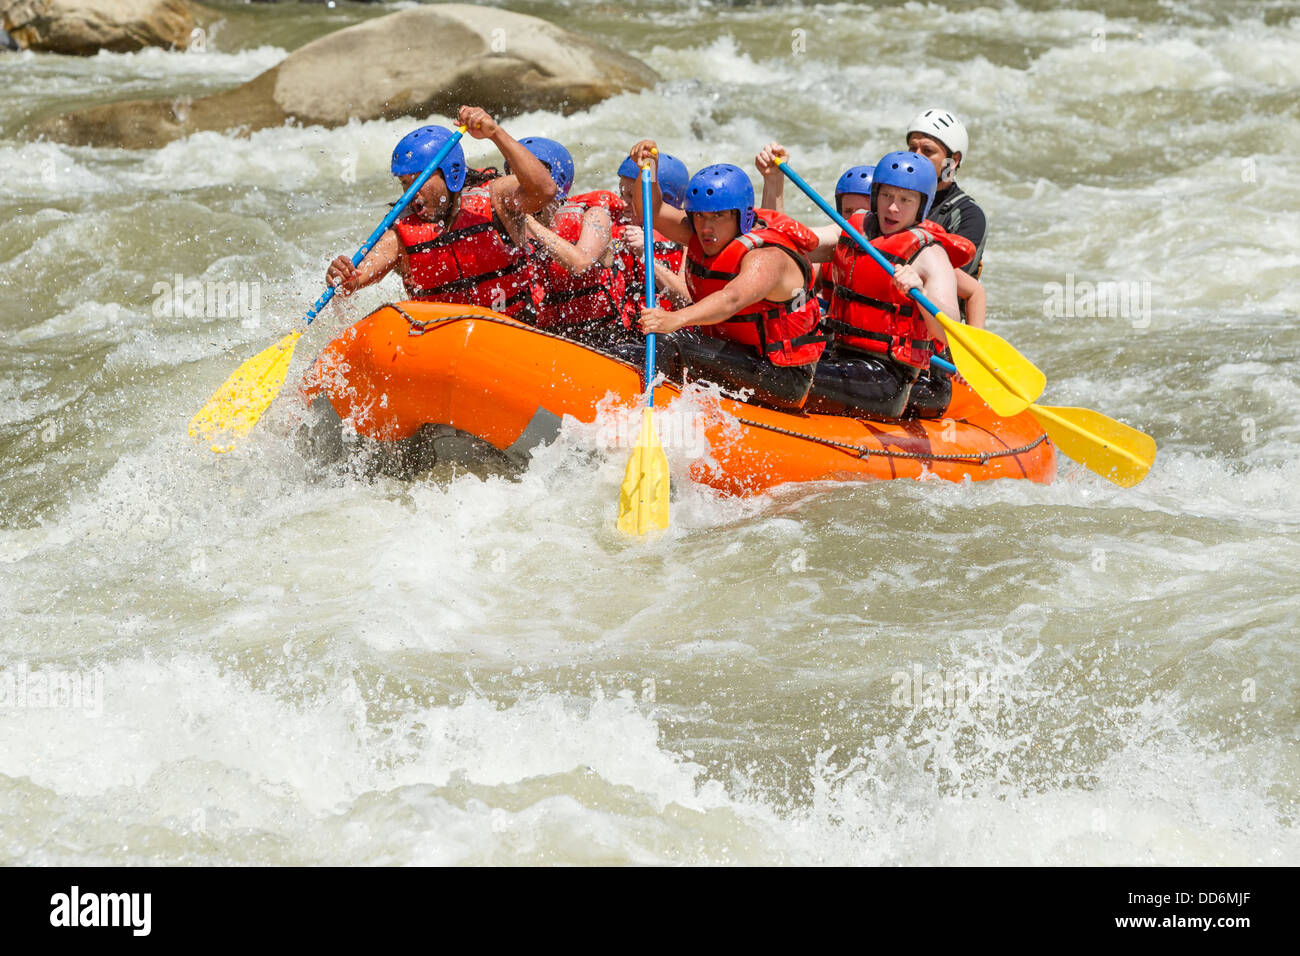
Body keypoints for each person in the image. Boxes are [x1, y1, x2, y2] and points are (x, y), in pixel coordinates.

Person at [627, 141, 825, 411]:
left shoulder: (766, 258)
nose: (706, 228)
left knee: (673, 341)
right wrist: (647, 170)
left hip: (783, 376)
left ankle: (642, 411)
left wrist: (676, 319)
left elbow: (731, 299)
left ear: (741, 216)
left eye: (718, 216)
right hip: (736, 354)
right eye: (700, 216)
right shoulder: (702, 234)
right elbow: (655, 212)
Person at [325, 106, 556, 319]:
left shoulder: (496, 199)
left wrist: (495, 133)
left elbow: (545, 190)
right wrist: (343, 276)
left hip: (513, 334)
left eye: (419, 181)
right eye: (405, 184)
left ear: (451, 173)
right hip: (445, 345)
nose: (412, 193)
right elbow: (354, 281)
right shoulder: (401, 234)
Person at [806, 150, 975, 419]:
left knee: (793, 376)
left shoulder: (930, 255)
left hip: (885, 379)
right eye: (886, 196)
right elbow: (805, 242)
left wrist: (920, 291)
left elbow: (948, 332)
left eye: (905, 200)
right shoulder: (853, 229)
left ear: (921, 205)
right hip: (840, 357)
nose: (893, 207)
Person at [519, 137, 629, 348]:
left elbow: (580, 263)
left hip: (604, 341)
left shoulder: (594, 215)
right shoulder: (514, 229)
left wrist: (528, 221)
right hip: (550, 339)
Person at [905, 108, 986, 278]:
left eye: (927, 151)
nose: (916, 157)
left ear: (953, 160)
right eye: (913, 149)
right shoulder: (890, 197)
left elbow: (950, 280)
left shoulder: (969, 216)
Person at [615, 152, 691, 315]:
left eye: (631, 196)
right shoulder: (611, 228)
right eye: (621, 194)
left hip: (671, 333)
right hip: (624, 333)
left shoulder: (687, 241)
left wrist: (646, 256)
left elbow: (687, 299)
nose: (622, 204)